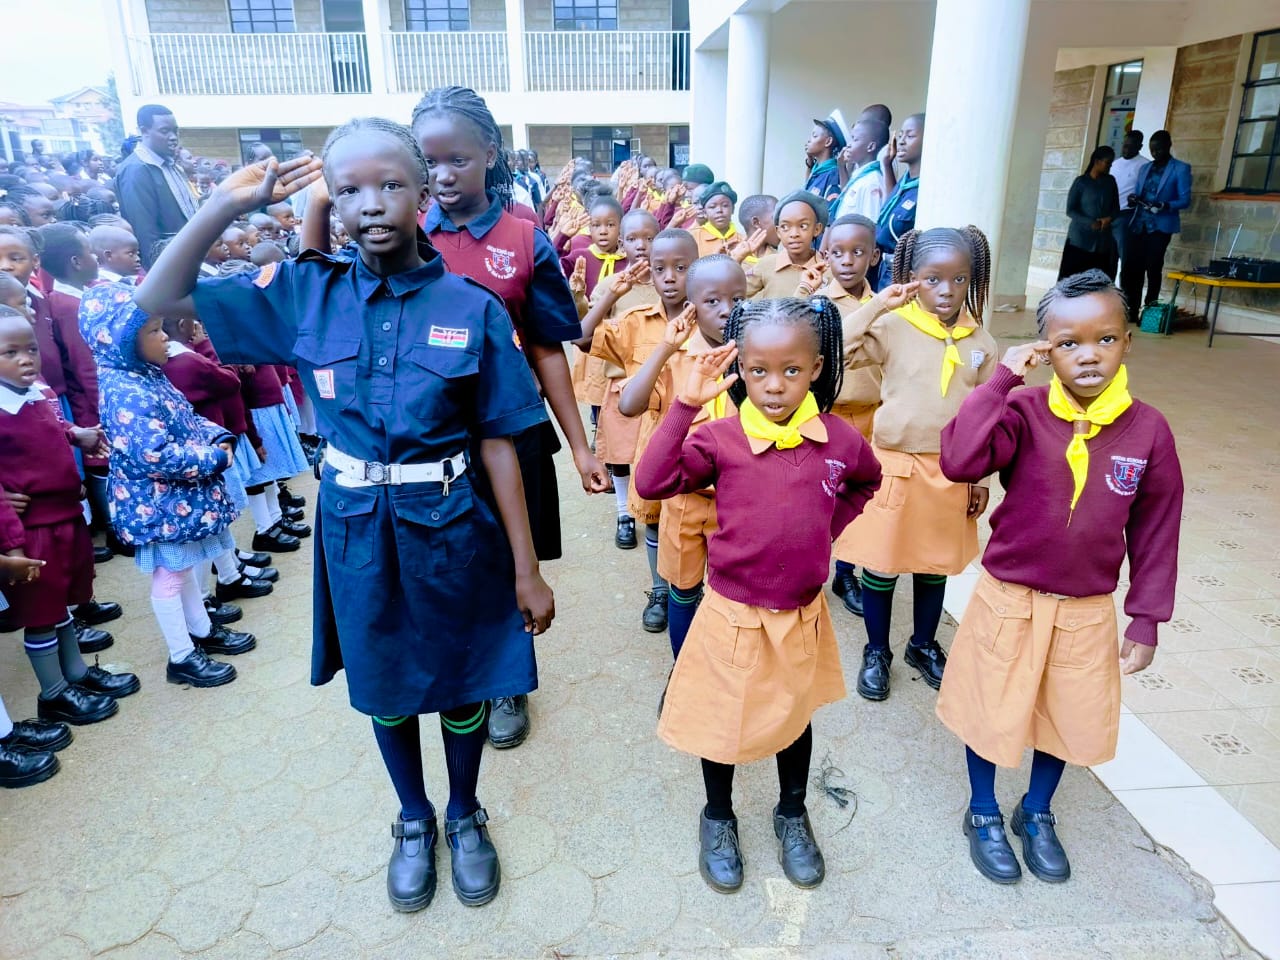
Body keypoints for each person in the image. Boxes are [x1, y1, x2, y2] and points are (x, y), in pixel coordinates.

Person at [133, 119, 557, 913]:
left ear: (424, 193)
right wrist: (222, 207)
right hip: (357, 529)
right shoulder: (303, 292)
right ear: (332, 197)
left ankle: (464, 813)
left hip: (453, 526)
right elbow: (158, 297)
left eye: (392, 184)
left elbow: (501, 443)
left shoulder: (473, 308)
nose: (372, 204)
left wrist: (528, 570)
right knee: (386, 683)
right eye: (350, 188)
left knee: (464, 681)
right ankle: (412, 816)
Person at [937, 269, 1183, 885]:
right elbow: (960, 459)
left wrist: (1147, 616)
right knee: (991, 707)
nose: (1089, 355)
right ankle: (985, 809)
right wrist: (1000, 380)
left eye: (1105, 339)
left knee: (1067, 713)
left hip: (1086, 606)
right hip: (1010, 597)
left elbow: (1157, 527)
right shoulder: (1021, 409)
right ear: (1046, 349)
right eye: (1068, 343)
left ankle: (1037, 810)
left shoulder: (1148, 430)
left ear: (1129, 341)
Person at [635, 296, 881, 893]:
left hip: (799, 613)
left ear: (817, 369)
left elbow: (866, 480)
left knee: (793, 717)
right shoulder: (720, 438)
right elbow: (652, 480)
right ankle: (718, 816)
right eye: (758, 371)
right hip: (733, 611)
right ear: (739, 368)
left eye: (792, 371)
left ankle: (791, 811)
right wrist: (688, 402)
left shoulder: (838, 440)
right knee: (723, 720)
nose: (775, 386)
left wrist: (826, 528)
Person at [404, 86, 607, 749]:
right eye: (429, 163)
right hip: (432, 436)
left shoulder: (525, 239)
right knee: (450, 558)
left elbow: (547, 347)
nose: (443, 176)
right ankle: (468, 669)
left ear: (490, 154)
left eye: (457, 159)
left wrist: (580, 446)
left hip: (512, 433)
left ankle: (509, 680)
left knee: (511, 557)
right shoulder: (407, 236)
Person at [836, 226, 998, 701]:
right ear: (912, 279)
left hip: (951, 473)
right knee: (882, 567)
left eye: (959, 280)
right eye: (932, 279)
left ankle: (923, 644)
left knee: (934, 566)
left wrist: (981, 477)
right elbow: (836, 348)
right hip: (895, 467)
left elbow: (986, 416)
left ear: (973, 280)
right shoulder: (893, 325)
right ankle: (877, 650)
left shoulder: (980, 342)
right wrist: (878, 304)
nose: (946, 291)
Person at [81, 283, 256, 688]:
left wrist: (217, 436)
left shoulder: (146, 374)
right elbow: (154, 453)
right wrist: (213, 457)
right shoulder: (126, 389)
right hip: (157, 504)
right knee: (170, 576)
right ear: (123, 342)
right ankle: (181, 655)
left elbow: (187, 418)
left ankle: (201, 630)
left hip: (174, 501)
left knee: (185, 567)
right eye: (154, 331)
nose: (164, 337)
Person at [0, 306, 139, 725]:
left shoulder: (38, 392)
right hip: (31, 528)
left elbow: (52, 425)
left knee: (61, 601)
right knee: (41, 612)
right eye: (11, 352)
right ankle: (54, 693)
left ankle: (76, 673)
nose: (27, 359)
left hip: (65, 515)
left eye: (31, 349)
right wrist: (11, 543)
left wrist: (76, 435)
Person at [618, 254, 746, 658]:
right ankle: (682, 672)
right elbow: (628, 405)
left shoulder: (758, 352)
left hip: (742, 501)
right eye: (713, 301)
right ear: (692, 305)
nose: (727, 310)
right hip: (686, 499)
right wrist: (664, 349)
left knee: (737, 594)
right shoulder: (675, 355)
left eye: (737, 299)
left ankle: (726, 669)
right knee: (683, 589)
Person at [591, 229, 700, 632]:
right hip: (658, 439)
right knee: (654, 519)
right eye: (660, 269)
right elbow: (582, 336)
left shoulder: (716, 318)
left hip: (707, 441)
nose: (670, 277)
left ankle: (697, 590)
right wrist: (611, 293)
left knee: (707, 521)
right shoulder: (638, 321)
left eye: (682, 267)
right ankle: (660, 589)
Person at [809, 214, 882, 618]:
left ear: (874, 256)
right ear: (826, 255)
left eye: (858, 252)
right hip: (828, 416)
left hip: (872, 416)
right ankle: (816, 564)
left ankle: (847, 570)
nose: (848, 261)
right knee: (823, 495)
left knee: (861, 495)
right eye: (838, 252)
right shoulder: (817, 304)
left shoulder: (886, 306)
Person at [1120, 130, 1191, 326]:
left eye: (1159, 149)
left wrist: (1165, 205)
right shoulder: (1145, 168)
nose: (1155, 153)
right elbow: (1138, 192)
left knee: (1153, 267)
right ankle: (1131, 309)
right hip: (1138, 223)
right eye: (1152, 150)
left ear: (1169, 146)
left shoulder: (1180, 169)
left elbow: (1185, 199)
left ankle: (1149, 310)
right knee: (1132, 268)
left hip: (1160, 226)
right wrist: (1133, 199)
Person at [114, 105, 197, 268]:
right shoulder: (136, 170)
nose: (173, 137)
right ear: (144, 131)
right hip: (170, 266)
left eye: (175, 131)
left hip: (189, 256)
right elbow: (144, 233)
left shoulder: (171, 164)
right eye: (165, 131)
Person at [747, 191, 827, 299]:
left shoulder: (826, 271)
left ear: (817, 229)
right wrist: (736, 258)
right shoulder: (766, 265)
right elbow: (734, 292)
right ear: (778, 231)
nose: (794, 234)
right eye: (785, 227)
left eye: (803, 226)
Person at [875, 114, 924, 289]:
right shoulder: (906, 181)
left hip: (901, 273)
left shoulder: (926, 188)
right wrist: (887, 165)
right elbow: (891, 205)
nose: (902, 141)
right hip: (884, 268)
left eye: (910, 136)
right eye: (901, 135)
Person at [1060, 146, 1120, 280]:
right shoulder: (1081, 182)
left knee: (1096, 283)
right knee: (1073, 278)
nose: (1110, 166)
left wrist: (1109, 219)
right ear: (1097, 161)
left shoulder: (1110, 182)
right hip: (1079, 240)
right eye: (1107, 162)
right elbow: (1070, 210)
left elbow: (1116, 208)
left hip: (1102, 242)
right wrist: (1090, 222)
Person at [833, 118, 888, 222]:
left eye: (855, 139)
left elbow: (870, 225)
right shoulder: (860, 176)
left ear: (870, 147)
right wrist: (841, 166)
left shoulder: (872, 182)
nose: (848, 145)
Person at [1108, 130, 1146, 264]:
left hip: (1127, 215)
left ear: (1140, 147)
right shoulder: (1115, 164)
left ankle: (1126, 285)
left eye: (1131, 146)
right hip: (1109, 215)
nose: (1126, 149)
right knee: (1108, 258)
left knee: (1126, 257)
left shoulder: (1144, 165)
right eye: (1125, 145)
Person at [804, 113, 847, 203]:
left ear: (828, 141)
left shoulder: (833, 174)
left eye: (815, 136)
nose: (809, 140)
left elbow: (830, 212)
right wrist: (809, 164)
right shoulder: (817, 171)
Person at [692, 182, 740, 258]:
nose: (719, 210)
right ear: (704, 212)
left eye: (725, 205)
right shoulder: (692, 238)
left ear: (733, 209)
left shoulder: (743, 240)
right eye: (712, 207)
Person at [735, 195, 778, 266]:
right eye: (776, 218)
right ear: (756, 222)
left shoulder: (779, 259)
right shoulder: (732, 257)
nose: (781, 224)